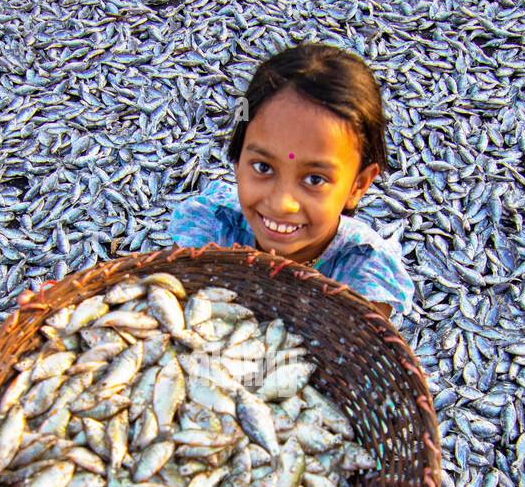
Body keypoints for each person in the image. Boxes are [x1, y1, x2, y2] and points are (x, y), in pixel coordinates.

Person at [167, 42, 416, 325]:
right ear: (237, 161)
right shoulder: (213, 226)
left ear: (357, 185)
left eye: (314, 179)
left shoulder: (363, 274)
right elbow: (176, 301)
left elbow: (361, 345)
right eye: (263, 167)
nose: (281, 203)